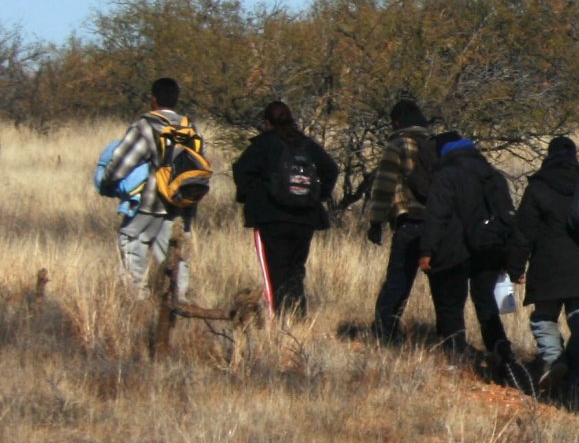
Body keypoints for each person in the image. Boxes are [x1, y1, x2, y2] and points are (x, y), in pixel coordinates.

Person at [93, 77, 207, 300]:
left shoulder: (146, 125)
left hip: (151, 201)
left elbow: (122, 162)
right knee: (176, 253)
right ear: (175, 99)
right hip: (183, 201)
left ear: (153, 100)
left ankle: (137, 299)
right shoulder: (188, 125)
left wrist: (106, 182)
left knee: (131, 240)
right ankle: (179, 300)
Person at [511, 135, 579, 402]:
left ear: (548, 157)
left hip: (546, 267)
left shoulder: (538, 187)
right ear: (575, 157)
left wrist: (515, 266)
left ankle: (553, 358)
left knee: (544, 318)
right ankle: (574, 380)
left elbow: (522, 233)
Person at [229, 100, 339, 317]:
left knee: (274, 272)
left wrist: (253, 196)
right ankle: (297, 317)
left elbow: (242, 173)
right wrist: (317, 195)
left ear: (267, 123)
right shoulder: (307, 145)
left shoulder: (262, 145)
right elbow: (331, 169)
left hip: (271, 219)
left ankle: (278, 320)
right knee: (296, 270)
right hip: (305, 218)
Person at [417, 131, 519, 362]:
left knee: (451, 303)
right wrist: (511, 257)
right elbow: (508, 216)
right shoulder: (493, 175)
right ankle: (499, 345)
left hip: (455, 249)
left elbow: (437, 216)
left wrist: (427, 250)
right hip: (491, 247)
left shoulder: (446, 175)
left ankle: (455, 353)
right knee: (485, 299)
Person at [364, 98, 439, 343]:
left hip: (409, 219)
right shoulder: (435, 143)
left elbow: (384, 184)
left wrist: (376, 222)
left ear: (396, 122)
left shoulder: (398, 143)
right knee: (442, 286)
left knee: (398, 280)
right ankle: (449, 339)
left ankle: (385, 333)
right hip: (438, 223)